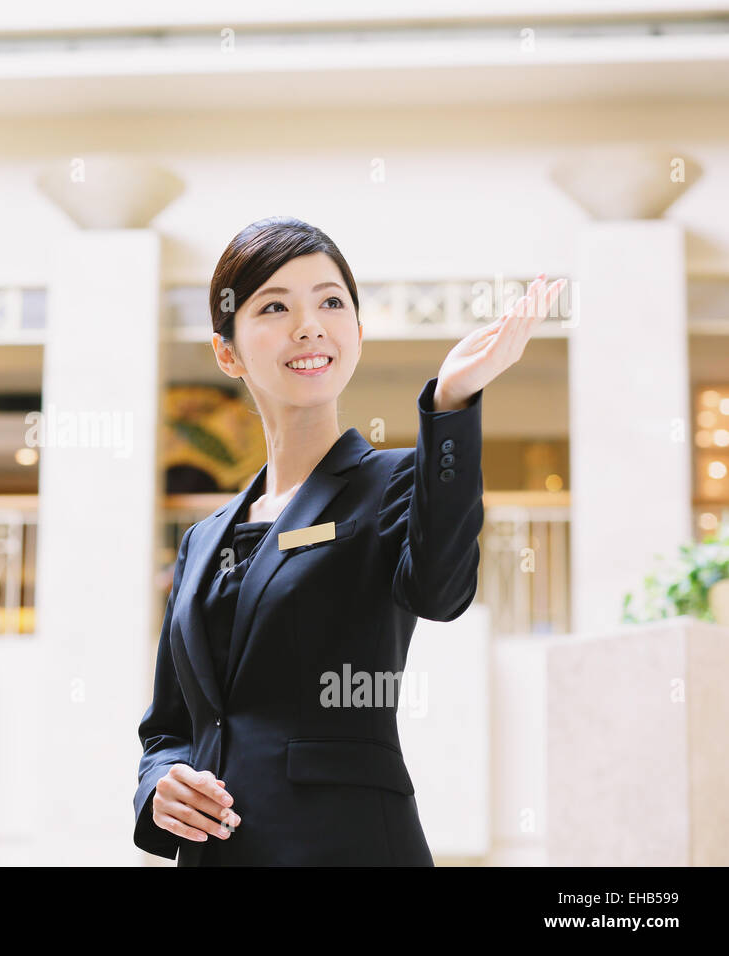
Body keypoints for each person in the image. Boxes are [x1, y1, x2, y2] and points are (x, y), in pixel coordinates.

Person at [134, 216, 565, 865]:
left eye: (331, 301)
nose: (309, 324)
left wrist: (451, 402)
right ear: (227, 352)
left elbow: (443, 590)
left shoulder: (392, 484)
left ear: (356, 335)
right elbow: (169, 726)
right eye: (275, 306)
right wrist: (158, 787)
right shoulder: (201, 541)